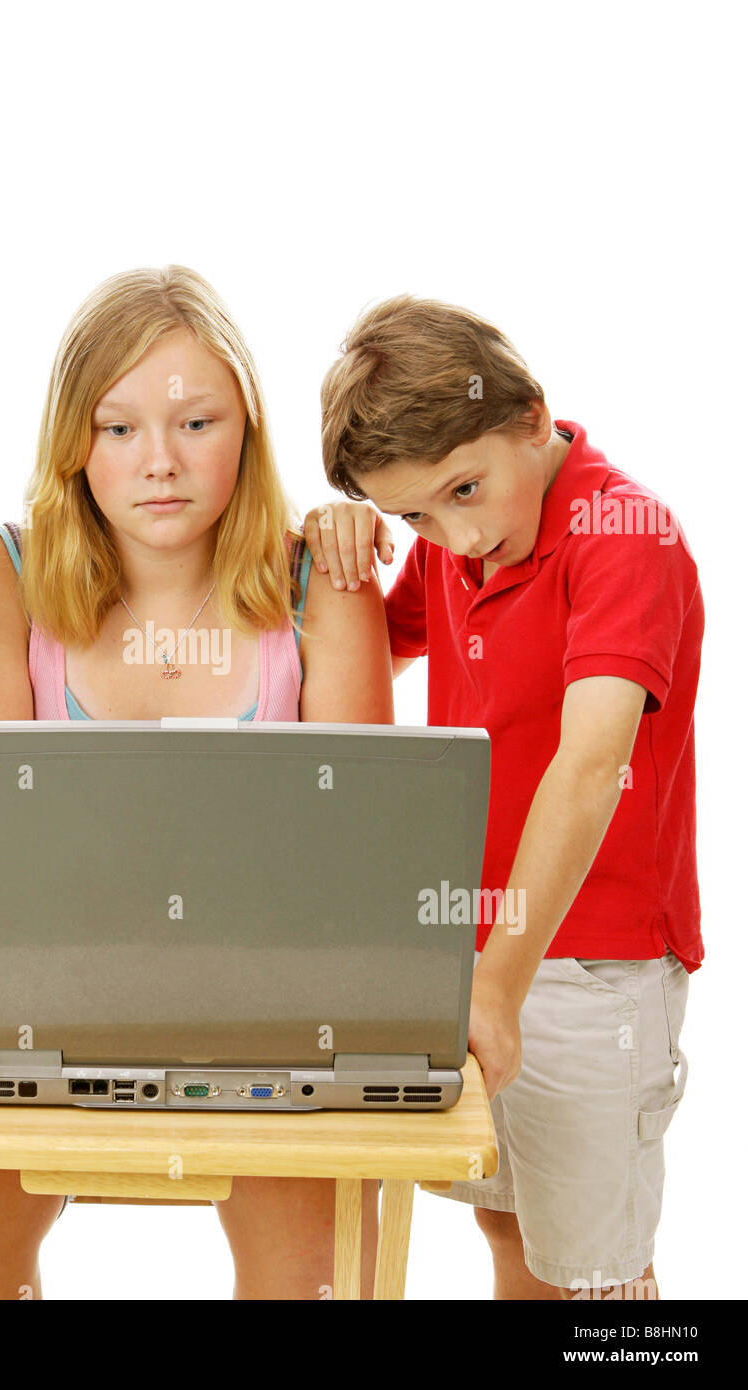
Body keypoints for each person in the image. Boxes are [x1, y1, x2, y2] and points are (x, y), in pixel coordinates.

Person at [0, 264, 394, 1299]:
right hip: (44, 995)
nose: (157, 463)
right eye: (117, 429)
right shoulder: (4, 575)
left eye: (195, 423)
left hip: (271, 1009)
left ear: (248, 428)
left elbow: (360, 862)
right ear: (75, 442)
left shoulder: (322, 585)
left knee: (320, 1277)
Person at [319, 293, 703, 1300]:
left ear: (531, 416)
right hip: (475, 945)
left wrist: (499, 982)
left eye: (463, 489)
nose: (454, 534)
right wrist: (336, 542)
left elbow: (590, 762)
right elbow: (363, 635)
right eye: (413, 515)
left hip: (591, 959)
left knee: (597, 1271)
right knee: (508, 1227)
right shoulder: (460, 544)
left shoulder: (626, 536)